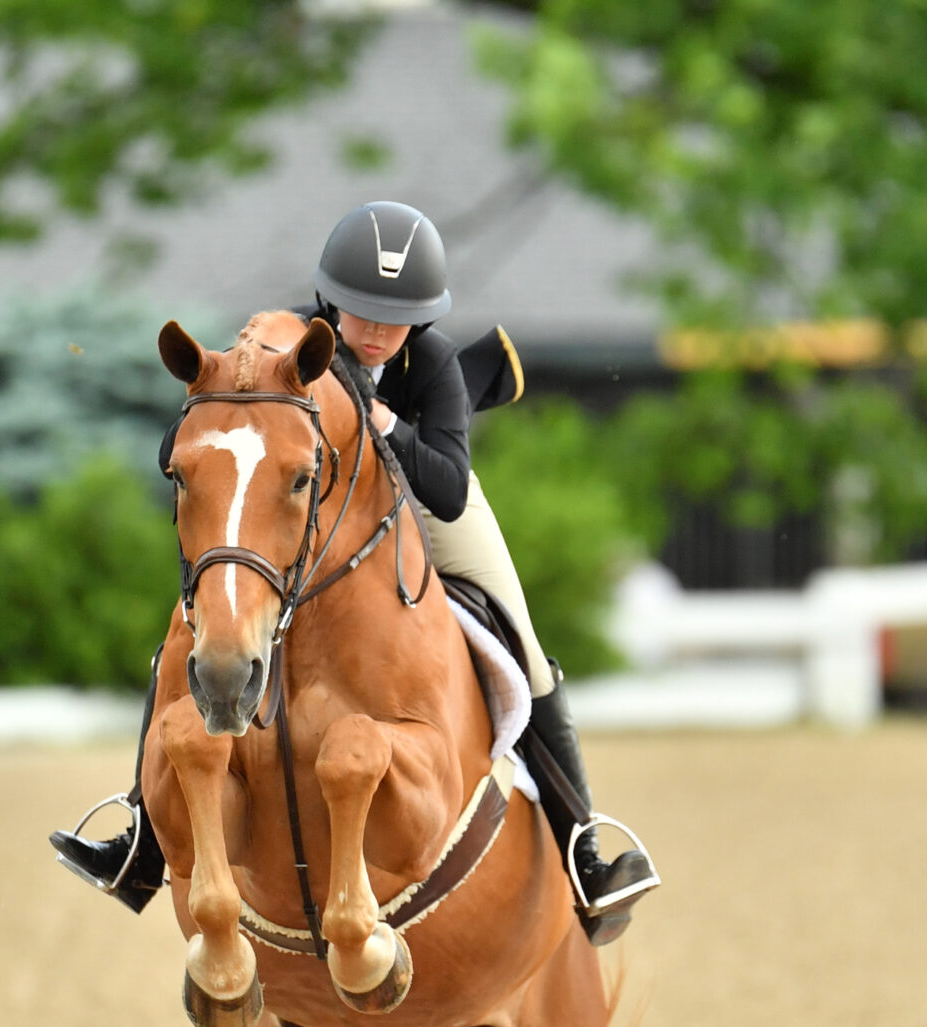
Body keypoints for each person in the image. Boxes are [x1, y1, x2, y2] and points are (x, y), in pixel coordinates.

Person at [50, 201, 657, 944]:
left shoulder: (429, 366)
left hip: (415, 497)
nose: (372, 331)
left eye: (393, 318)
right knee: (186, 634)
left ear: (423, 321)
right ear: (329, 298)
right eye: (359, 311)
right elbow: (208, 434)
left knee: (518, 634)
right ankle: (140, 842)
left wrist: (389, 426)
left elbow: (448, 487)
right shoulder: (297, 346)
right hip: (309, 511)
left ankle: (582, 848)